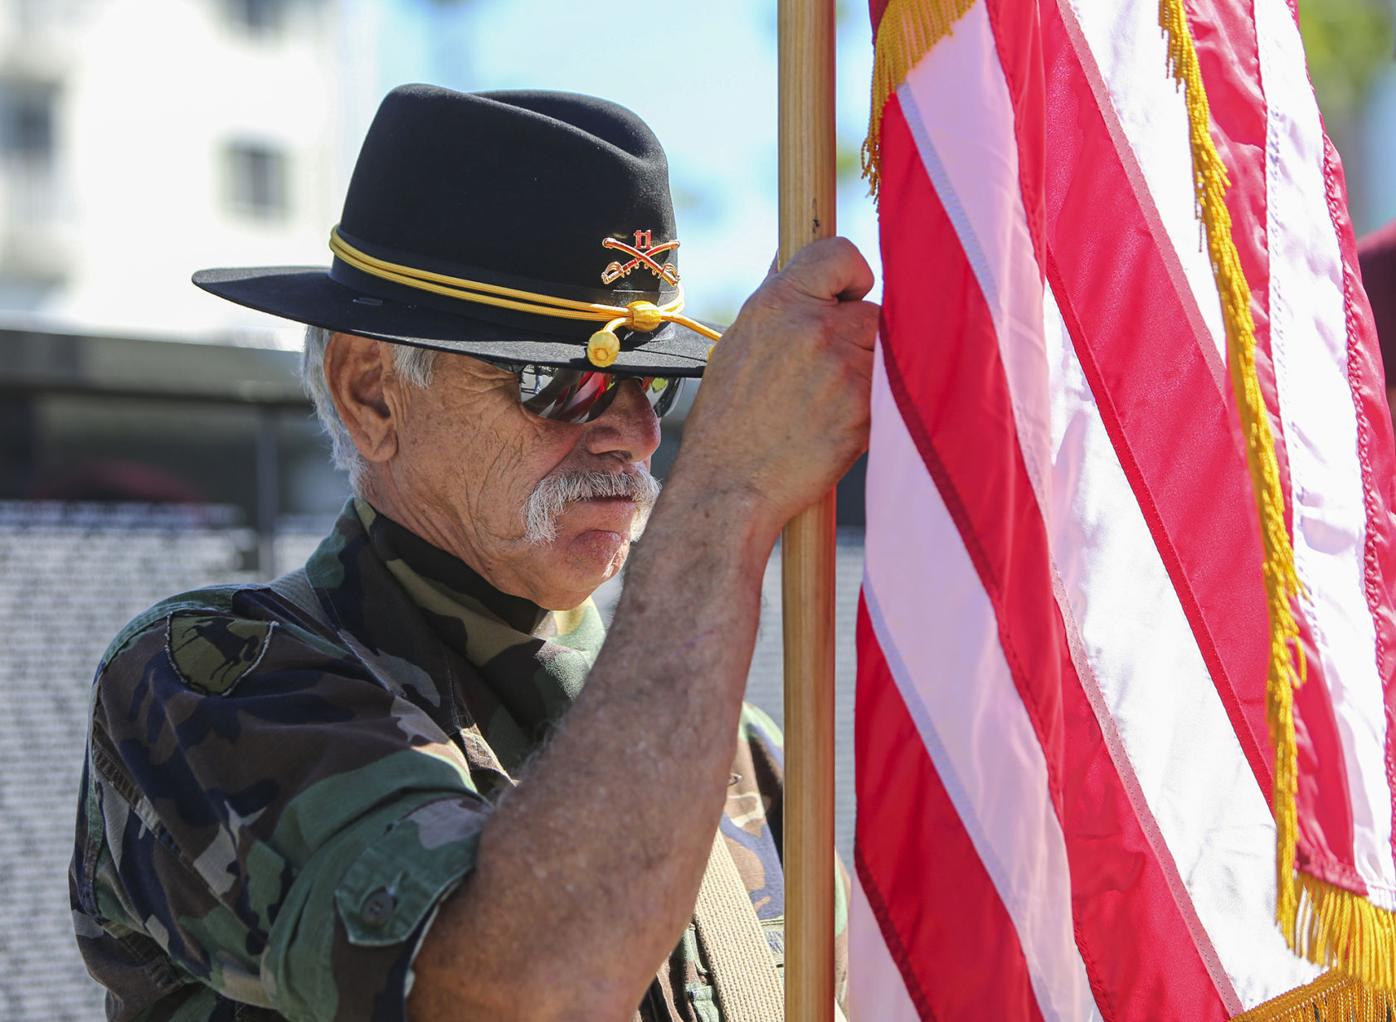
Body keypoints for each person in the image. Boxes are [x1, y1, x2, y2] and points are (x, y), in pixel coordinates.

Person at [69, 85, 876, 1021]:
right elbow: (512, 992)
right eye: (562, 381)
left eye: (653, 384)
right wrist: (725, 495)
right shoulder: (210, 681)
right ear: (372, 393)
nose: (637, 436)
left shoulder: (739, 752)